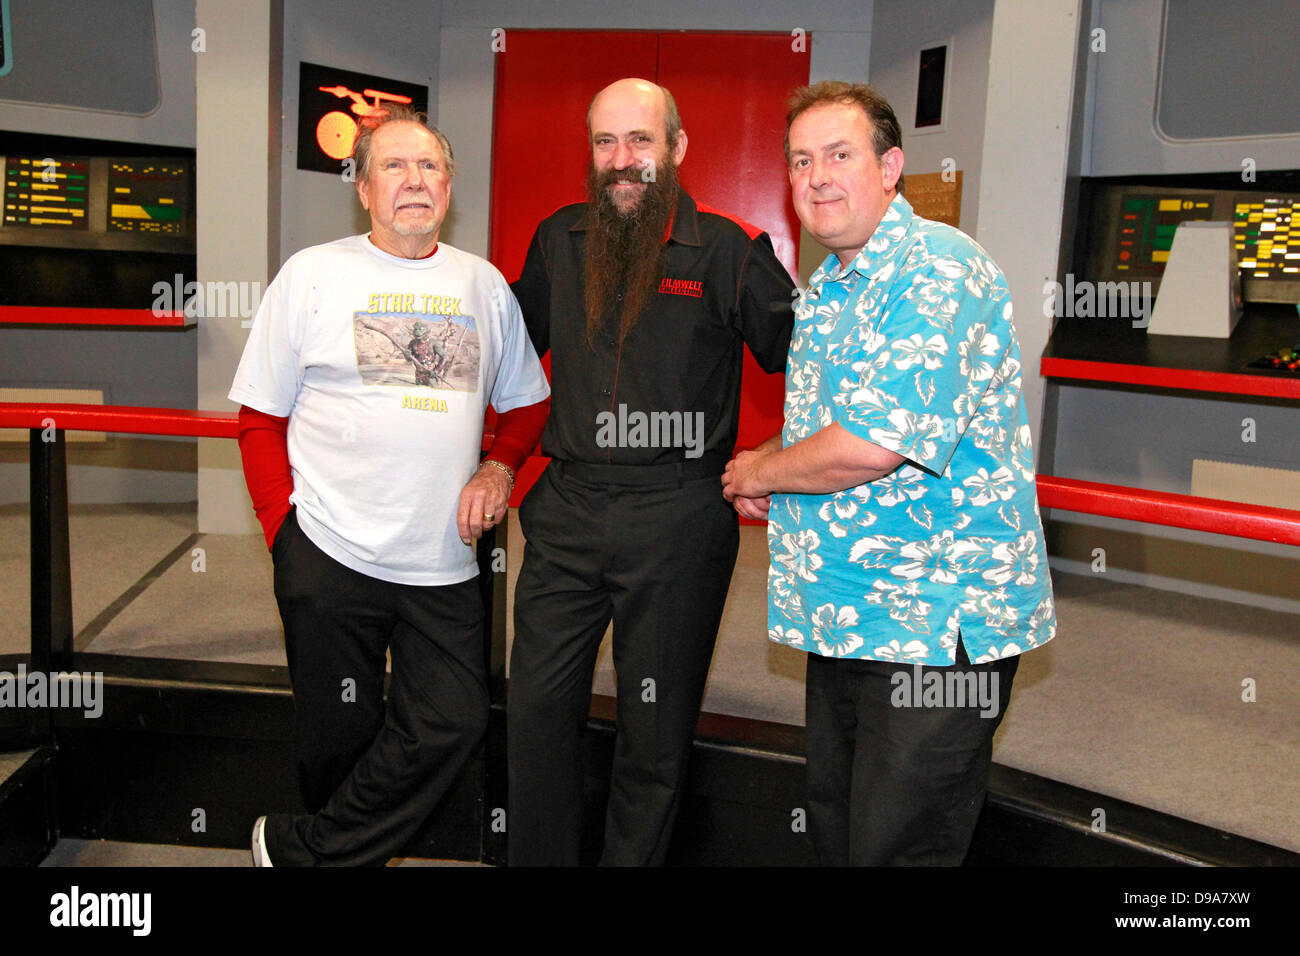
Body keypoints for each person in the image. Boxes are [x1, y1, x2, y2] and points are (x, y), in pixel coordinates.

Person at [722, 81, 1057, 866]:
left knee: (899, 844)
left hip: (939, 629)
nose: (817, 177)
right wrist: (780, 466)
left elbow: (871, 444)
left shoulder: (938, 270)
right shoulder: (832, 289)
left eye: (840, 155)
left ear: (891, 166)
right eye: (800, 161)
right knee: (840, 828)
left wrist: (765, 471)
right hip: (846, 614)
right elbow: (823, 430)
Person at [229, 106, 550, 866]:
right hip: (328, 551)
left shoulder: (483, 285)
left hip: (443, 560)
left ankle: (303, 851)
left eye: (430, 166)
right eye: (395, 167)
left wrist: (498, 465)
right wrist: (284, 537)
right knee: (335, 736)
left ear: (449, 185)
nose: (415, 180)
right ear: (365, 189)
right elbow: (257, 420)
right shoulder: (312, 275)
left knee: (454, 719)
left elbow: (531, 400)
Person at [508, 77, 796, 866]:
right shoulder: (556, 242)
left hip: (677, 520)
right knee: (534, 717)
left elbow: (811, 362)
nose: (622, 160)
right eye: (606, 142)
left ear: (677, 150)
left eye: (640, 141)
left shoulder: (731, 251)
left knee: (654, 734)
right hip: (565, 512)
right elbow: (502, 362)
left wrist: (785, 459)